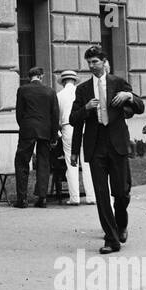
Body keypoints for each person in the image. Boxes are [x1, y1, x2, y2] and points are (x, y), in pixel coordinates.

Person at [68, 45, 145, 253]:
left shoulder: (118, 83)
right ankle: (111, 239)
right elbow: (73, 120)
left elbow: (140, 106)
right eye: (89, 63)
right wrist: (86, 109)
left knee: (121, 193)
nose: (92, 66)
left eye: (95, 62)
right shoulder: (82, 90)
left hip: (117, 144)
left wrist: (128, 97)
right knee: (101, 195)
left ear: (104, 62)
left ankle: (121, 224)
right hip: (96, 145)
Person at [13, 66, 60, 208]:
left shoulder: (22, 90)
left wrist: (24, 126)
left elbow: (19, 113)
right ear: (41, 76)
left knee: (22, 162)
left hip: (28, 129)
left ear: (30, 77)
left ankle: (22, 198)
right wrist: (54, 136)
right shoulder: (50, 91)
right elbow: (55, 115)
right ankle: (42, 197)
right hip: (45, 131)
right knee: (43, 163)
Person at [57, 69, 95, 206]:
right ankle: (91, 196)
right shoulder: (81, 92)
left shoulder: (59, 95)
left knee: (71, 163)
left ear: (63, 82)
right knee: (87, 163)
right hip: (83, 127)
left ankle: (75, 197)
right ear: (74, 80)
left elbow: (58, 117)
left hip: (68, 127)